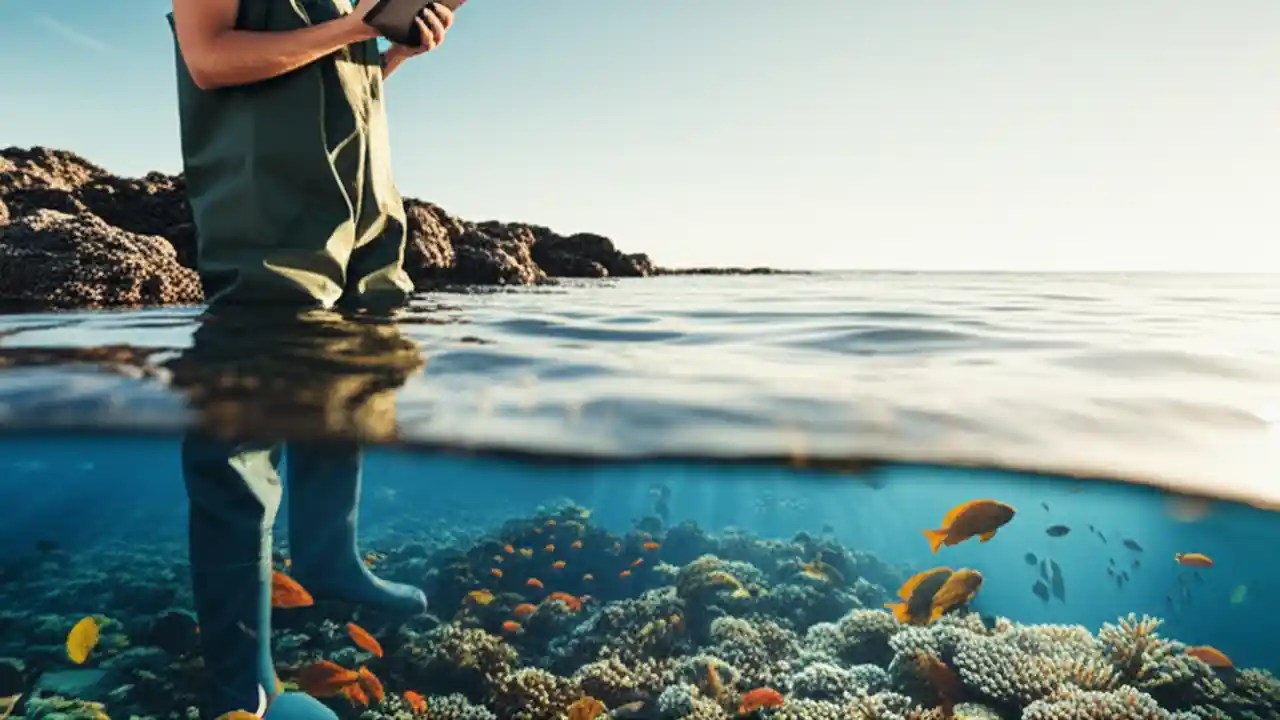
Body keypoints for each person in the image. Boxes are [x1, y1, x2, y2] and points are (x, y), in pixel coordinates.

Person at [165, 1, 452, 717]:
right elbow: (209, 59)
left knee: (346, 387)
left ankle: (329, 560)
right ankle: (244, 685)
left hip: (365, 224)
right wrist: (357, 25)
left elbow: (326, 78)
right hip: (270, 225)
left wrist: (395, 51)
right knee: (242, 440)